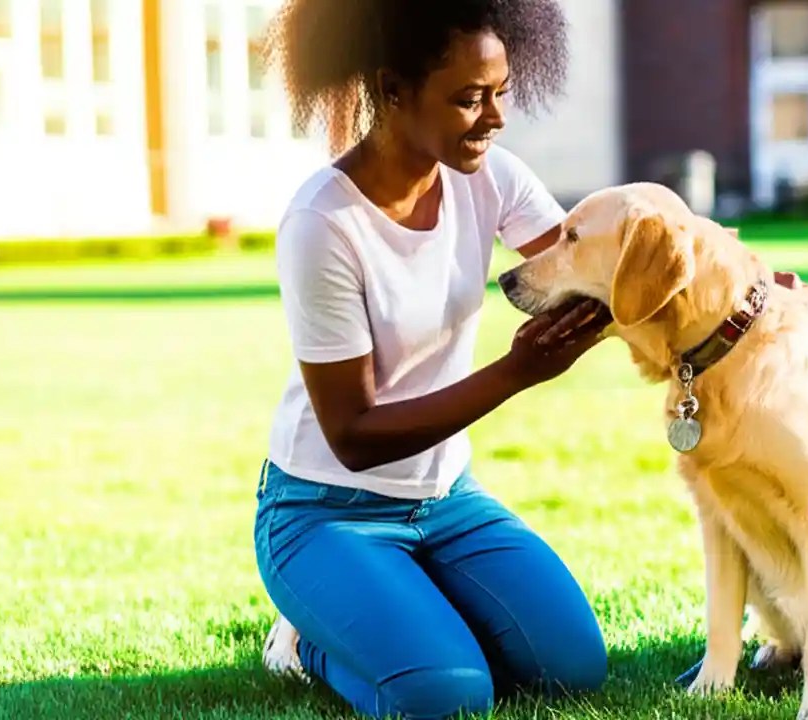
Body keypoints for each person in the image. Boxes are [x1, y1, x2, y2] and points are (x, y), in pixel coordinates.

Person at [252, 2, 613, 719]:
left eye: (500, 92)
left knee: (572, 666)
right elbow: (353, 435)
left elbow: (593, 278)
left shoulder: (492, 178)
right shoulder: (322, 225)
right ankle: (304, 644)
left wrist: (749, 296)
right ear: (391, 90)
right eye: (468, 98)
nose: (495, 117)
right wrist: (513, 374)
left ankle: (411, 602)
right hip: (324, 511)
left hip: (447, 500)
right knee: (445, 696)